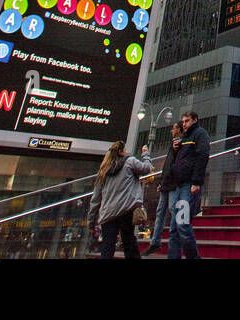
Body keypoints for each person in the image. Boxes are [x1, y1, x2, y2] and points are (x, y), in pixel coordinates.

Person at [88, 140, 153, 259]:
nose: (127, 152)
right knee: (129, 243)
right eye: (125, 150)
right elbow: (147, 168)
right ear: (120, 151)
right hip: (126, 211)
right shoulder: (129, 162)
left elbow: (95, 199)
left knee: (107, 246)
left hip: (108, 215)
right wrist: (146, 155)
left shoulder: (103, 170)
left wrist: (91, 223)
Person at [167, 110, 210, 259]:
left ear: (194, 120)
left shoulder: (200, 134)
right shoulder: (184, 138)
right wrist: (175, 150)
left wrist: (196, 182)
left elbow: (202, 156)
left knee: (182, 224)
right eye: (183, 121)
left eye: (187, 121)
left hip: (189, 186)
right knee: (174, 228)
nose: (183, 124)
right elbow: (177, 161)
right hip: (179, 186)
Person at [143, 121, 182, 255]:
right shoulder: (173, 144)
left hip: (174, 182)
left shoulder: (180, 144)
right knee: (161, 211)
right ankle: (155, 242)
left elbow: (177, 164)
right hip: (166, 183)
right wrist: (162, 182)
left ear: (179, 130)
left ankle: (176, 237)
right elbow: (167, 165)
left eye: (174, 128)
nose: (172, 130)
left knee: (172, 208)